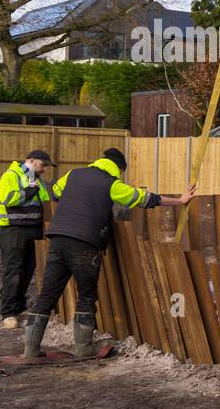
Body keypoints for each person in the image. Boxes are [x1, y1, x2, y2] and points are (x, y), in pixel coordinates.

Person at [24, 148, 196, 358]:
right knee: (86, 296)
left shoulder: (74, 174)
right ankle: (84, 348)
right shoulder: (111, 183)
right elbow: (142, 198)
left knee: (47, 295)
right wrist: (179, 200)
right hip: (85, 243)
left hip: (58, 238)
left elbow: (56, 192)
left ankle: (30, 349)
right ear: (119, 168)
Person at [0, 149, 56, 329]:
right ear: (30, 161)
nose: (45, 169)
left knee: (27, 270)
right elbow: (6, 198)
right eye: (42, 164)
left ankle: (19, 307)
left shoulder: (38, 181)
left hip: (35, 230)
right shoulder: (11, 176)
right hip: (13, 230)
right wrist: (28, 192)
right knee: (14, 271)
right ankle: (8, 313)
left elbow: (45, 202)